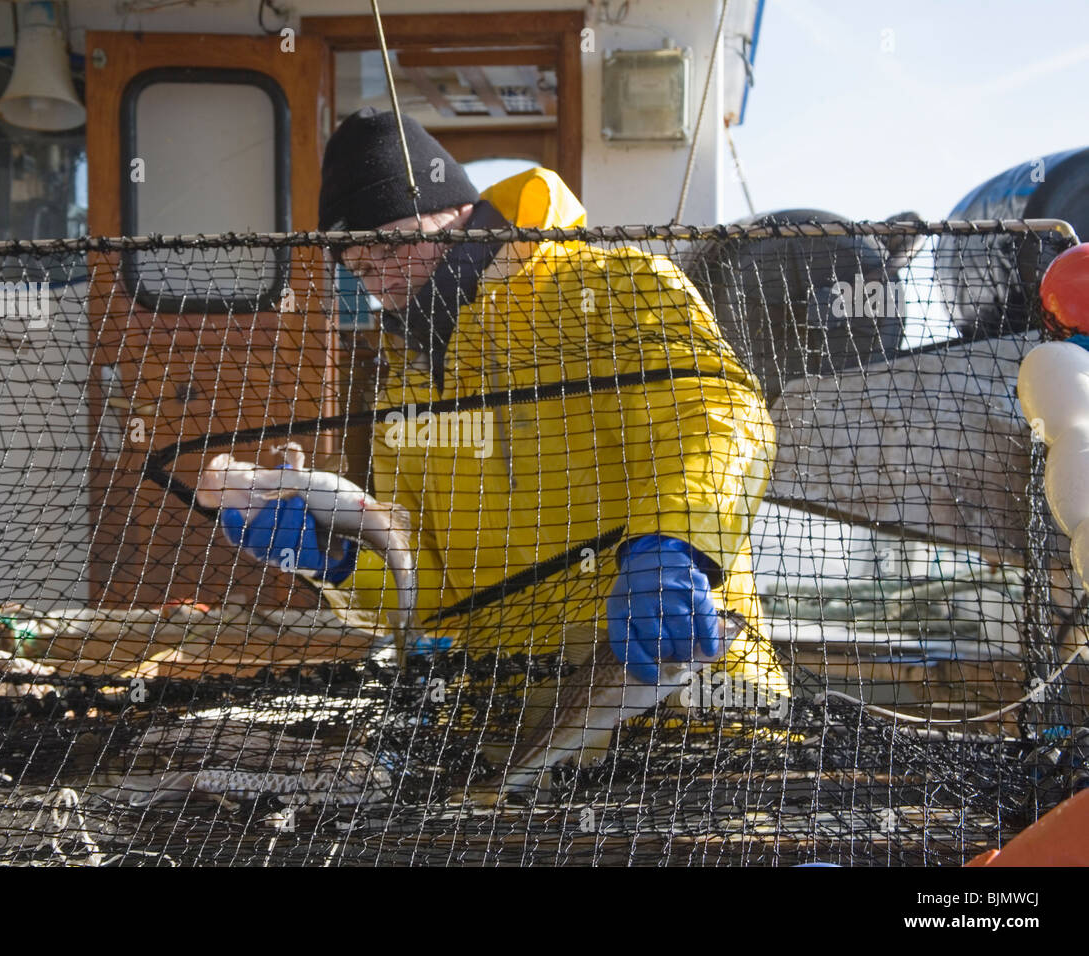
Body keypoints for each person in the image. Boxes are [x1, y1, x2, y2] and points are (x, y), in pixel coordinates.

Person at [219, 107, 788, 752]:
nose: (381, 274)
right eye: (359, 264)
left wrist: (676, 544)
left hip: (688, 699)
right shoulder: (404, 380)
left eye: (393, 244)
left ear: (459, 214)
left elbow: (717, 414)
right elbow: (425, 593)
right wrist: (344, 564)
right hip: (507, 722)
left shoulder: (612, 285)